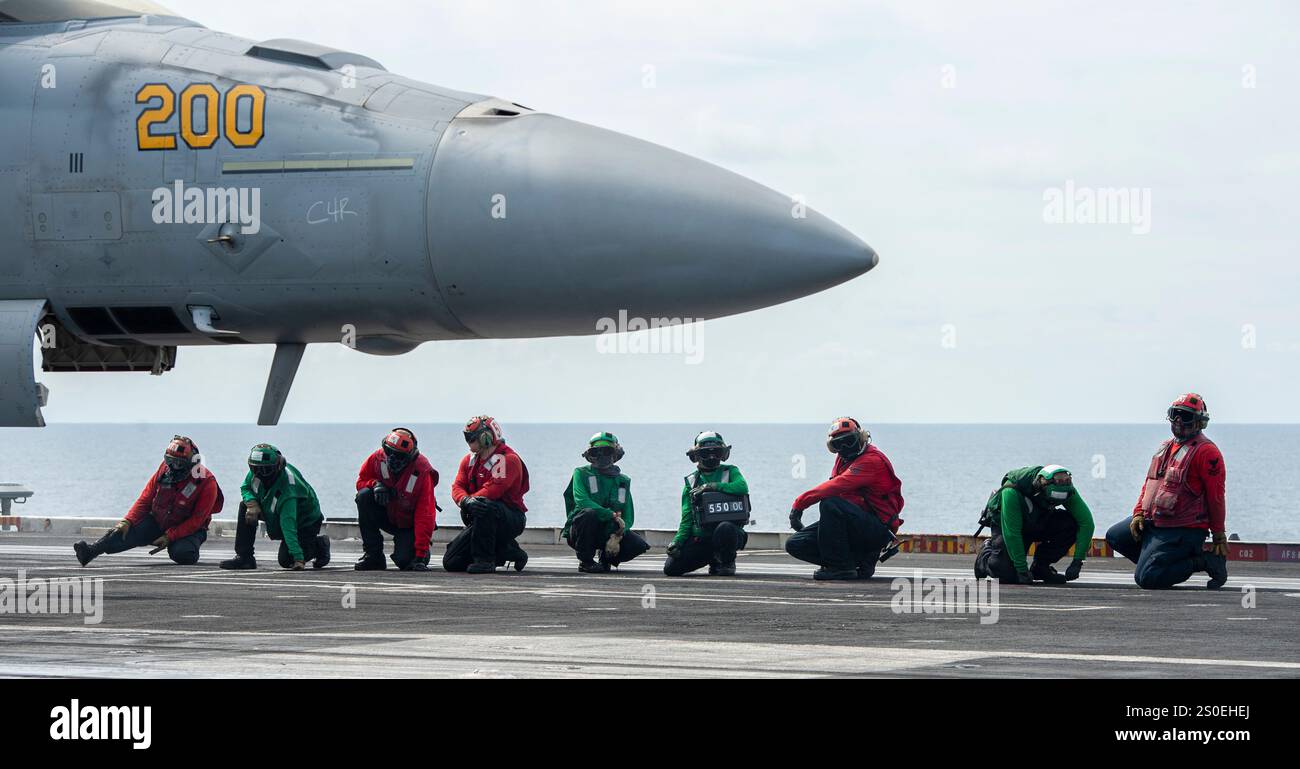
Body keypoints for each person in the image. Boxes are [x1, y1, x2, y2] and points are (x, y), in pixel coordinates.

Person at [1105, 393, 1229, 589]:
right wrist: (1138, 514)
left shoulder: (1207, 452)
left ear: (1199, 422)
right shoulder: (1164, 447)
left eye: (1185, 416)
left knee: (1147, 579)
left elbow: (1216, 496)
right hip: (1156, 522)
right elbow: (1149, 484)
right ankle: (1159, 563)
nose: (1178, 421)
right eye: (1175, 414)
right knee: (1115, 536)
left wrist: (1219, 534)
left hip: (1183, 528)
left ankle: (1203, 561)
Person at [74, 436, 223, 567]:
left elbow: (197, 520)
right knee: (122, 533)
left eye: (177, 463)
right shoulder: (164, 470)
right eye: (169, 461)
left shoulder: (206, 481)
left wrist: (169, 537)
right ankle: (90, 551)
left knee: (183, 554)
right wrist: (127, 521)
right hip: (158, 521)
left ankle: (180, 545)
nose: (172, 466)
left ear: (190, 463)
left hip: (189, 530)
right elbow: (145, 499)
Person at [785, 417, 904, 580]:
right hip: (854, 523)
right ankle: (855, 563)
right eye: (838, 444)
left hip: (877, 528)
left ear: (861, 437)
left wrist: (799, 504)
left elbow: (835, 486)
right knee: (795, 544)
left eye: (849, 441)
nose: (844, 448)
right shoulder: (843, 459)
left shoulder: (871, 461)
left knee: (830, 503)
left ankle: (840, 567)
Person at [973, 465, 1095, 585]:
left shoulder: (1065, 489)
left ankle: (1040, 568)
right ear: (1041, 486)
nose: (1056, 502)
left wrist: (1078, 561)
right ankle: (984, 557)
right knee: (1005, 575)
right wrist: (1022, 570)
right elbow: (1012, 533)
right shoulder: (1011, 490)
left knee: (1071, 524)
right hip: (1007, 524)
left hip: (1038, 519)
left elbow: (1086, 522)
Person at [219, 444, 330, 571]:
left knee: (286, 560)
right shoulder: (255, 473)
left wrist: (298, 558)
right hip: (276, 511)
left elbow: (288, 525)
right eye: (255, 469)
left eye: (264, 470)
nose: (259, 474)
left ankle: (320, 545)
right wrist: (252, 504)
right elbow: (246, 487)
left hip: (305, 522)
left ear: (277, 467)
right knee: (244, 506)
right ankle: (245, 557)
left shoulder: (288, 489)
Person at [443, 416, 530, 574]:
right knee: (451, 562)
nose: (468, 441)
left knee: (484, 504)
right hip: (479, 515)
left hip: (510, 518)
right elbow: (457, 486)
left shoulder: (507, 460)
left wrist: (471, 501)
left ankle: (485, 561)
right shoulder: (468, 461)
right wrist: (465, 501)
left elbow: (493, 490)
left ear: (486, 437)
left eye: (471, 437)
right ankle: (509, 551)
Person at [663, 431, 750, 577]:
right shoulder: (691, 482)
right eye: (706, 453)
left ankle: (726, 561)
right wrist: (677, 542)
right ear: (696, 456)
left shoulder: (731, 471)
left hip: (730, 534)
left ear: (723, 454)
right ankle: (712, 558)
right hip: (703, 537)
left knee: (725, 528)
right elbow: (687, 518)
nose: (711, 457)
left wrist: (712, 486)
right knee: (671, 568)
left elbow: (742, 487)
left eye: (716, 453)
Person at [353, 428, 439, 571]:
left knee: (405, 562)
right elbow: (361, 482)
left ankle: (422, 553)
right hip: (387, 514)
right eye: (389, 452)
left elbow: (425, 514)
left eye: (398, 455)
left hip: (409, 524)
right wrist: (375, 484)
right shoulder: (377, 458)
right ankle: (373, 556)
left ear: (409, 456)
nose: (392, 458)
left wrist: (420, 555)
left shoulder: (422, 470)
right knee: (364, 496)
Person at [562, 432, 649, 573]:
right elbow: (582, 501)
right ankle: (586, 561)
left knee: (638, 544)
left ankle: (607, 558)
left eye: (607, 451)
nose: (602, 456)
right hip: (582, 531)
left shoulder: (623, 481)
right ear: (590, 455)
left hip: (609, 531)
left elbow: (628, 516)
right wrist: (611, 515)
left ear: (615, 454)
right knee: (589, 514)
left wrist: (617, 536)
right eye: (597, 452)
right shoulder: (581, 473)